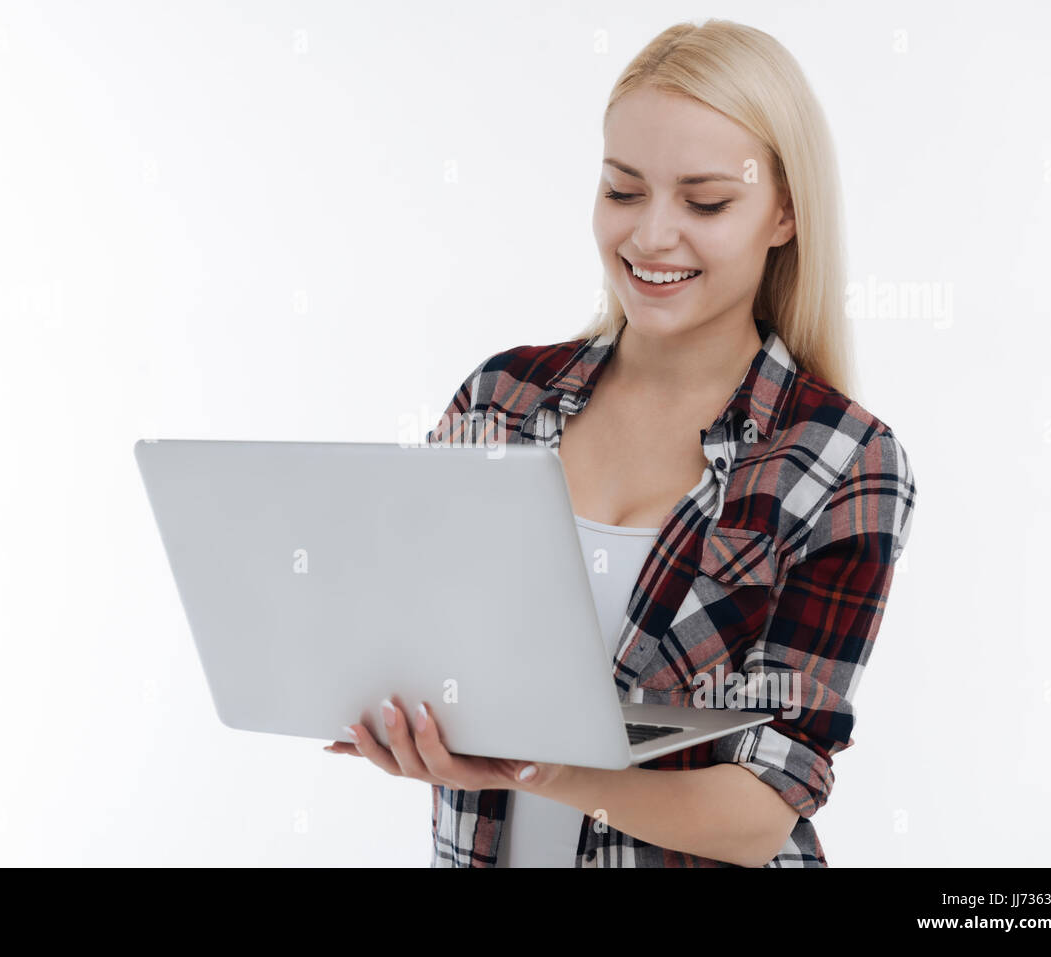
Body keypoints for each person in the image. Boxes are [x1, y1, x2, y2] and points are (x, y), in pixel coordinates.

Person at [324, 18, 918, 868]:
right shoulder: (500, 401)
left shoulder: (841, 462)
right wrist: (390, 712)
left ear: (785, 212)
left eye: (706, 201)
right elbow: (416, 641)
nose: (649, 237)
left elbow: (760, 811)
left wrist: (532, 766)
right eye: (623, 190)